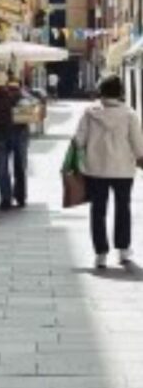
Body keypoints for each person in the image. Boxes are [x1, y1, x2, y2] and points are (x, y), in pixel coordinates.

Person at [74, 74, 143, 269]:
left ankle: (101, 253)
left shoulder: (89, 113)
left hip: (96, 169)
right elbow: (138, 145)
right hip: (123, 170)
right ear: (120, 91)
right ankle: (123, 251)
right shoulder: (130, 114)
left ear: (101, 91)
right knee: (123, 208)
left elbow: (79, 140)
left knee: (98, 211)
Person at [0, 70, 29, 210]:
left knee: (17, 168)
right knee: (5, 169)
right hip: (4, 136)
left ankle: (18, 197)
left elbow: (29, 109)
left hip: (16, 134)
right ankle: (8, 198)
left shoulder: (18, 94)